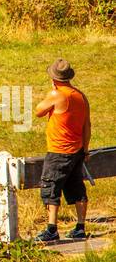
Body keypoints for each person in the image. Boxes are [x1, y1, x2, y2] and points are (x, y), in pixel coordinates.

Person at [34, 59, 91, 244]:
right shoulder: (80, 95)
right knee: (77, 188)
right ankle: (80, 228)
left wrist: (51, 93)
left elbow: (38, 111)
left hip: (58, 150)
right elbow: (87, 125)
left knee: (50, 187)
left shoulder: (57, 95)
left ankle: (52, 229)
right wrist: (85, 148)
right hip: (77, 149)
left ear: (54, 79)